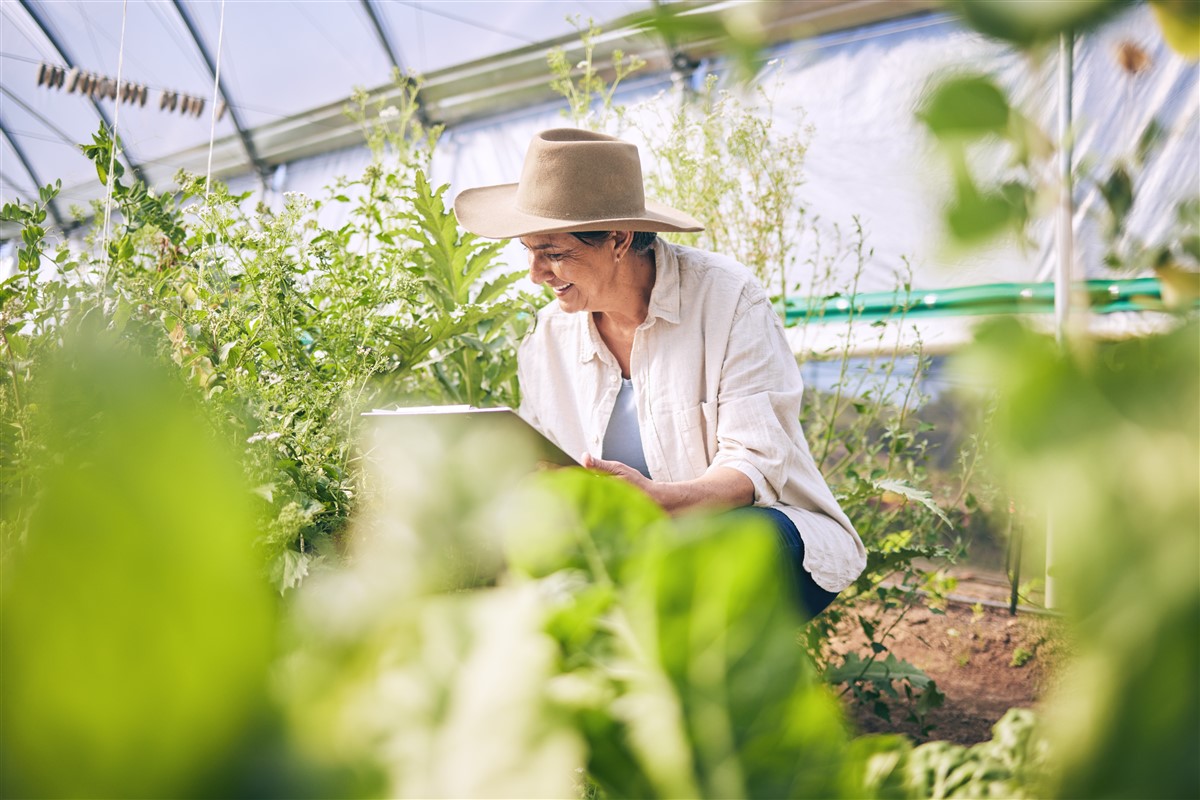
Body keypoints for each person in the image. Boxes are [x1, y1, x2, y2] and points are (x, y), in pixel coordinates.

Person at [454, 128, 865, 617]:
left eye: (555, 253)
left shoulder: (728, 300)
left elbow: (754, 465)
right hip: (623, 544)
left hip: (758, 526)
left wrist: (658, 502)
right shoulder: (548, 337)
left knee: (701, 559)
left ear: (620, 239)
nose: (535, 273)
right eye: (528, 249)